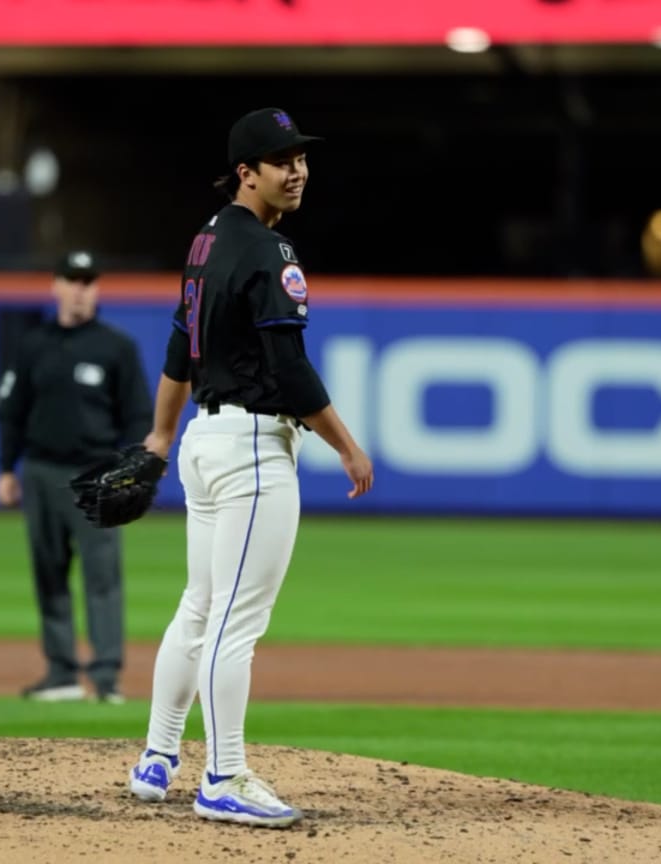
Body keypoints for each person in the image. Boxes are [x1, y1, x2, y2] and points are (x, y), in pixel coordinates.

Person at [124, 108, 375, 828]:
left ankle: (157, 756)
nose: (296, 170)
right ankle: (224, 776)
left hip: (207, 440)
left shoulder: (205, 241)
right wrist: (347, 445)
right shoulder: (271, 252)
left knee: (200, 606)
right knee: (235, 623)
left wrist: (161, 438)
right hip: (254, 452)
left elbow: (181, 346)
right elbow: (288, 368)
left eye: (301, 158)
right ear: (247, 172)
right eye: (280, 160)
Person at [0, 250, 153, 704]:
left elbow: (137, 416)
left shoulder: (116, 347)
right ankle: (61, 672)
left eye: (88, 281)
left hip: (96, 475)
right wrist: (6, 467)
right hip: (41, 471)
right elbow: (12, 410)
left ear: (95, 288)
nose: (81, 289)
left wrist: (126, 473)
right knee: (49, 572)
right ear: (57, 286)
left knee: (103, 577)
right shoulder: (33, 345)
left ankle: (105, 678)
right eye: (73, 280)